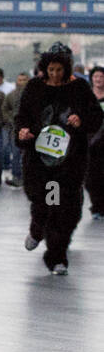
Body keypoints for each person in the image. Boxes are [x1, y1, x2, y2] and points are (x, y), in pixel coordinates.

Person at [14, 43, 104, 274]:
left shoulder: (80, 88)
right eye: (50, 70)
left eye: (59, 70)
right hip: (39, 160)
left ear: (67, 69)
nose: (55, 75)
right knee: (43, 203)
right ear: (44, 69)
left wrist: (80, 120)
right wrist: (23, 132)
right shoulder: (34, 88)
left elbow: (96, 117)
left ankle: (56, 257)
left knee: (62, 209)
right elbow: (21, 117)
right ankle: (37, 229)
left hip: (68, 162)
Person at [3, 72, 29, 187]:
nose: (22, 82)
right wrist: (11, 120)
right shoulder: (11, 95)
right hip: (15, 129)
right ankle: (16, 177)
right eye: (20, 80)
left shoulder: (35, 95)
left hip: (30, 129)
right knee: (16, 153)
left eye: (24, 80)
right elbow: (4, 109)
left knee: (29, 154)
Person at [86, 65, 104, 219]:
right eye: (96, 77)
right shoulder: (86, 96)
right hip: (89, 141)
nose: (98, 80)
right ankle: (96, 206)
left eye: (101, 77)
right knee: (91, 177)